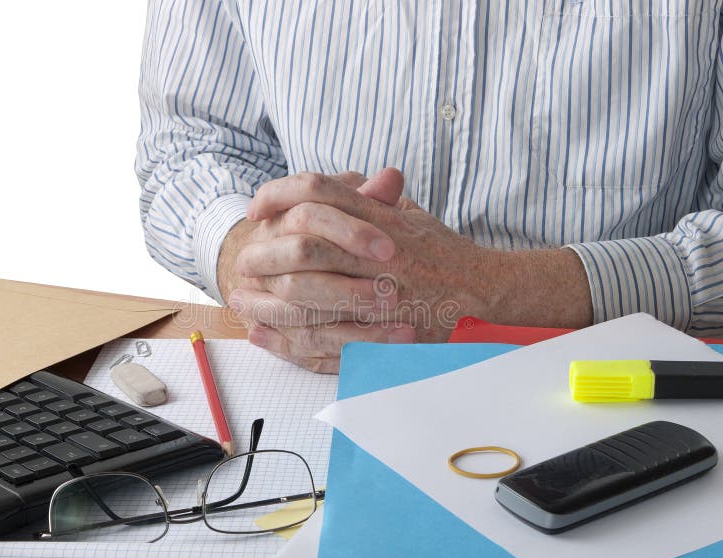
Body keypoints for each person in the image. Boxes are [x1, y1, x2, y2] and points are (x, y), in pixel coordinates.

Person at [136, 0, 723, 373]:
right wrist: (255, 258)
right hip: (313, 386)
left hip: (625, 392)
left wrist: (502, 291)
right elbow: (187, 145)